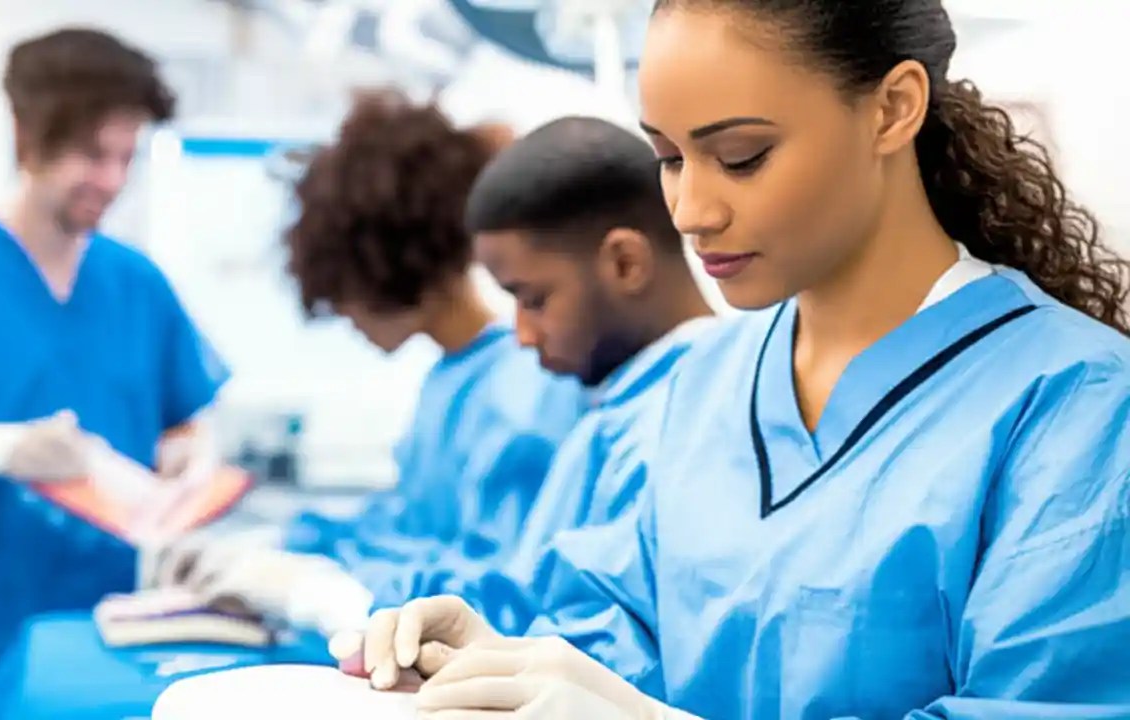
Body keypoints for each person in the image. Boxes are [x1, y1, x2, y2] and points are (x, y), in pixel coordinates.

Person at [342, 1, 1130, 718]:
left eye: (743, 157)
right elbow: (620, 642)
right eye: (671, 158)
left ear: (893, 109)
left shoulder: (1075, 403)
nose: (689, 212)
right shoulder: (705, 384)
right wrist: (497, 662)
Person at [0, 28, 227, 718]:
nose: (112, 180)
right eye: (91, 155)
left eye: (125, 156)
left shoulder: (136, 284)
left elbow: (185, 417)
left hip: (119, 664)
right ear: (26, 137)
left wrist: (188, 457)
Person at [150, 91, 586, 634]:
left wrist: (315, 588)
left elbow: (498, 588)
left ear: (384, 263)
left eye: (341, 294)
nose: (343, 316)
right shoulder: (451, 381)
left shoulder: (527, 389)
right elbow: (400, 531)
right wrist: (283, 544)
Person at [363, 116, 715, 634]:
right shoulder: (619, 414)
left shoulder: (691, 424)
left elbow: (611, 645)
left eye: (535, 300)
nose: (522, 335)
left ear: (624, 264)